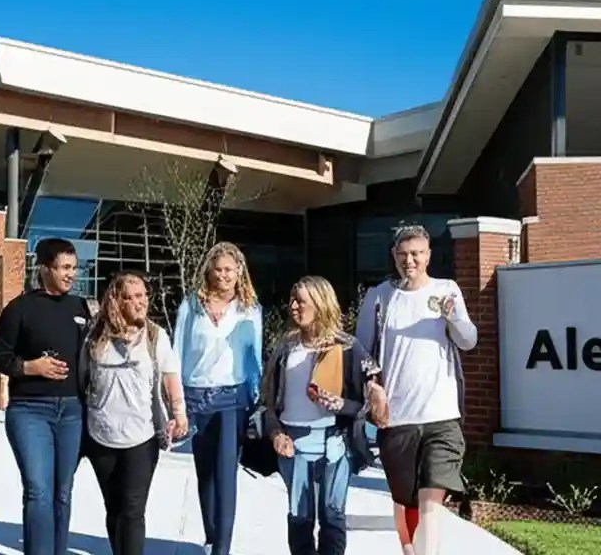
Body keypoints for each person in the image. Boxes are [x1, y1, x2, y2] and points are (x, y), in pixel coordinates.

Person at [356, 224, 477, 555]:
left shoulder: (446, 290)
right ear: (394, 256)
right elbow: (361, 352)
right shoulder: (379, 297)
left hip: (442, 417)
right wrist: (372, 387)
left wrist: (453, 317)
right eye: (404, 254)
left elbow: (468, 340)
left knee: (430, 506)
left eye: (417, 254)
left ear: (428, 256)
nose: (410, 260)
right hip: (397, 419)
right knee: (405, 502)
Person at [0, 237, 91, 555]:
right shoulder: (20, 308)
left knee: (63, 493)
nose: (71, 274)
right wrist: (31, 367)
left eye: (74, 267)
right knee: (38, 491)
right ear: (44, 268)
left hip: (72, 412)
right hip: (30, 411)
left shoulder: (80, 307)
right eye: (64, 268)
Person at [260, 275, 377, 555]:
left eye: (301, 301)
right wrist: (275, 433)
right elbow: (267, 399)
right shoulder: (286, 346)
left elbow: (367, 404)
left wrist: (341, 405)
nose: (294, 306)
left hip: (335, 442)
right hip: (293, 442)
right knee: (299, 517)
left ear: (321, 303)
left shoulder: (347, 347)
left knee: (333, 515)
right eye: (292, 300)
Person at [82, 270, 189, 555]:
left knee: (133, 509)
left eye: (141, 296)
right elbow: (82, 378)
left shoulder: (155, 335)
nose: (139, 302)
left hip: (142, 436)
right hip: (101, 434)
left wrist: (179, 413)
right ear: (116, 301)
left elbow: (170, 376)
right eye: (129, 298)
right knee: (114, 508)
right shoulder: (94, 335)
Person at [173, 241, 263, 555]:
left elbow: (255, 359)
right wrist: (176, 402)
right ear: (209, 271)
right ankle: (212, 535)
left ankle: (222, 547)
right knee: (205, 473)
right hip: (195, 398)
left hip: (232, 399)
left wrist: (257, 400)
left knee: (227, 473)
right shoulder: (190, 306)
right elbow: (176, 353)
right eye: (219, 269)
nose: (224, 275)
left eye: (230, 269)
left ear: (239, 272)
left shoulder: (249, 308)